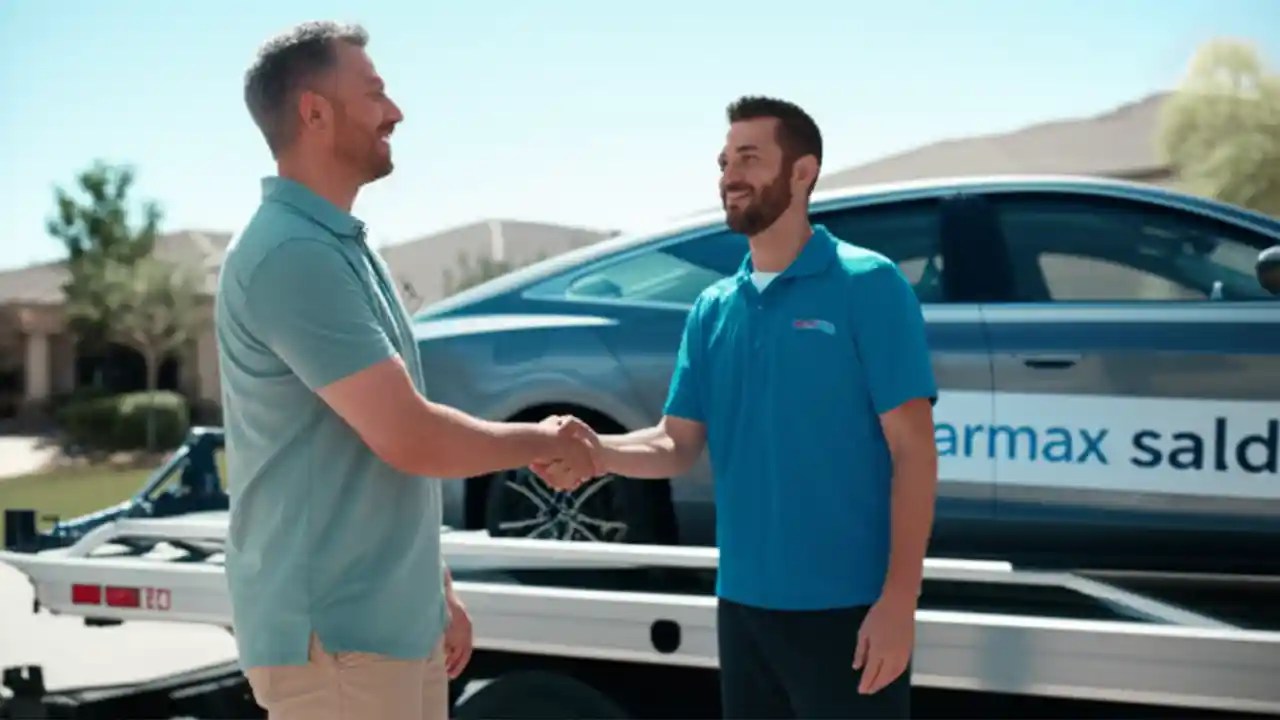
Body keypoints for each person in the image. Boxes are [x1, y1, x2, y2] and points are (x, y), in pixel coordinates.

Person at [215, 21, 597, 720]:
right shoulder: (290, 254)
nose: (395, 112)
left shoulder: (340, 247)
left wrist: (434, 588)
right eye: (375, 93)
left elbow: (378, 447)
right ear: (314, 112)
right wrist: (543, 441)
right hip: (337, 639)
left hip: (385, 628)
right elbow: (410, 436)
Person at [536, 96, 939, 719]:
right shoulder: (712, 309)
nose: (730, 175)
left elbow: (914, 452)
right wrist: (596, 452)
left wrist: (898, 602)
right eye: (725, 162)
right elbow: (676, 443)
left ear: (802, 172)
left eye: (749, 158)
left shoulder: (869, 285)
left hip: (850, 610)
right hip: (744, 608)